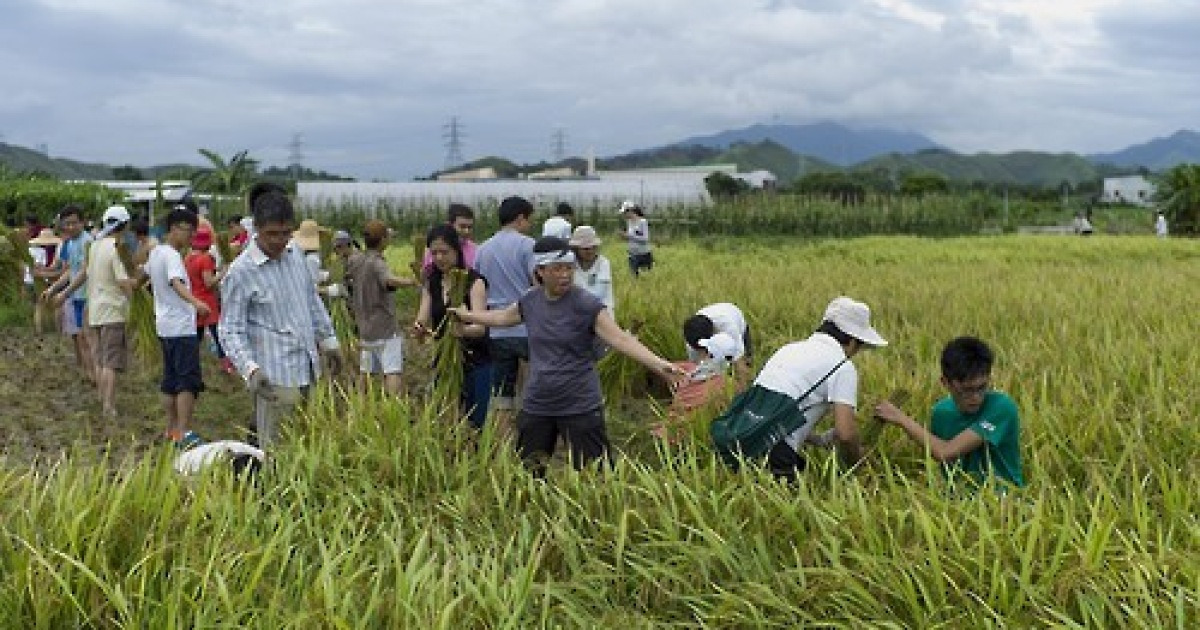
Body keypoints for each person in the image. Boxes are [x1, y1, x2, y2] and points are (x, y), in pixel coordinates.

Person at [451, 236, 683, 475]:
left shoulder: (586, 305)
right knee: (529, 471)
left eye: (569, 268)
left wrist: (659, 364)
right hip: (539, 402)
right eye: (557, 269)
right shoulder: (531, 300)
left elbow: (619, 339)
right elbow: (501, 318)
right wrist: (468, 316)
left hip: (579, 403)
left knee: (595, 474)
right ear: (540, 271)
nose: (565, 275)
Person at [219, 183, 344, 449]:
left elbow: (311, 301)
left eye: (285, 233)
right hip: (274, 376)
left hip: (308, 367)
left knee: (309, 442)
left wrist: (330, 341)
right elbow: (230, 329)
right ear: (257, 229)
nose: (278, 240)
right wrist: (250, 369)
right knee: (277, 449)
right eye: (271, 234)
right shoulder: (242, 271)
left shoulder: (295, 255)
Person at [720, 296, 887, 480]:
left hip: (739, 439)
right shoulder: (842, 368)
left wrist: (818, 440)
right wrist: (858, 463)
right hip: (776, 454)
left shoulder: (788, 349)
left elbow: (769, 414)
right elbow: (845, 433)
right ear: (854, 341)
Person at [873, 336, 1024, 489]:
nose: (976, 398)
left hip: (1003, 500)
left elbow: (944, 452)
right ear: (945, 383)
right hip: (957, 500)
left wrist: (901, 419)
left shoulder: (1002, 407)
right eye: (966, 390)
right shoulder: (941, 412)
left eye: (981, 387)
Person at [413, 224, 492, 428]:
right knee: (446, 417)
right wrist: (419, 328)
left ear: (457, 250)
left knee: (476, 421)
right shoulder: (432, 282)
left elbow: (481, 326)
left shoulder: (474, 282)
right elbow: (423, 315)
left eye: (444, 252)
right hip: (444, 362)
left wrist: (462, 331)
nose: (439, 258)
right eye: (434, 253)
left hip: (475, 360)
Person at [146, 208, 212, 447]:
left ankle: (172, 428)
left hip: (164, 324)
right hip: (181, 326)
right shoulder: (172, 255)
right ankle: (184, 431)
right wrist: (196, 302)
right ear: (174, 229)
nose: (190, 237)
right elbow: (175, 283)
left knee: (170, 379)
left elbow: (145, 279)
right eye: (188, 231)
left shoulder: (155, 254)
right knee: (187, 380)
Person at [473, 195, 537, 434]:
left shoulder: (483, 249)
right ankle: (529, 438)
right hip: (526, 326)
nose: (529, 225)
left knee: (501, 395)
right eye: (529, 220)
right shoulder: (527, 245)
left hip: (496, 329)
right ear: (520, 218)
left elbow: (479, 285)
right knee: (530, 390)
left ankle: (502, 444)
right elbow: (537, 283)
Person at [347, 220, 416, 395]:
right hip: (384, 327)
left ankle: (360, 407)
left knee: (367, 371)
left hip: (365, 327)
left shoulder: (357, 260)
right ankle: (393, 406)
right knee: (392, 370)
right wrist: (411, 282)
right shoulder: (377, 263)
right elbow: (388, 280)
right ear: (383, 240)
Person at [81, 206, 137, 418]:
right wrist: (136, 296)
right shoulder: (115, 248)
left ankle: (102, 398)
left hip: (94, 309)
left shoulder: (94, 246)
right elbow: (123, 282)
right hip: (112, 310)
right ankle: (109, 405)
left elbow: (87, 273)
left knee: (100, 358)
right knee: (111, 361)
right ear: (125, 226)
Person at [42, 204, 95, 384]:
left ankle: (96, 377)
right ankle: (91, 377)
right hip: (77, 296)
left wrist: (64, 294)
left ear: (83, 222)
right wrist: (52, 289)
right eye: (67, 224)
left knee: (89, 339)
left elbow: (85, 271)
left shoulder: (87, 242)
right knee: (81, 338)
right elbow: (70, 272)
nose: (70, 227)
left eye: (74, 223)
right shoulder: (71, 243)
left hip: (89, 296)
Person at [653, 332, 738, 442]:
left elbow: (665, 369)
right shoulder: (732, 386)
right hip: (705, 437)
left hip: (671, 433)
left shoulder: (688, 374)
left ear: (709, 354)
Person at [185, 226, 234, 375]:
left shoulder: (188, 258)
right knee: (219, 336)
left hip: (194, 301)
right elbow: (208, 282)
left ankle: (191, 366)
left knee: (197, 336)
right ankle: (227, 367)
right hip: (207, 302)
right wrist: (222, 272)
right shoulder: (205, 259)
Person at [684, 302, 752, 379]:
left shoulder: (728, 327)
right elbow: (697, 366)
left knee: (745, 363)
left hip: (735, 317)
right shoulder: (692, 337)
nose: (704, 354)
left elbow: (740, 362)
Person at [421, 203, 479, 274]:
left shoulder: (476, 250)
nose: (466, 231)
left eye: (469, 227)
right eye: (462, 226)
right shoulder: (433, 249)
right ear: (449, 225)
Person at [569, 225, 614, 312]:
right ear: (576, 249)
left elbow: (599, 294)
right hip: (576, 313)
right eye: (586, 249)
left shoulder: (603, 263)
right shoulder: (570, 264)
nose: (590, 251)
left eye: (593, 247)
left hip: (601, 313)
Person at [618, 200, 653, 277]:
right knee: (634, 279)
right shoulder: (628, 222)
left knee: (646, 279)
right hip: (632, 255)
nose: (624, 215)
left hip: (644, 255)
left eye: (625, 213)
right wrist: (624, 237)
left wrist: (629, 236)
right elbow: (631, 238)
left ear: (630, 211)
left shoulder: (643, 222)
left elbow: (645, 239)